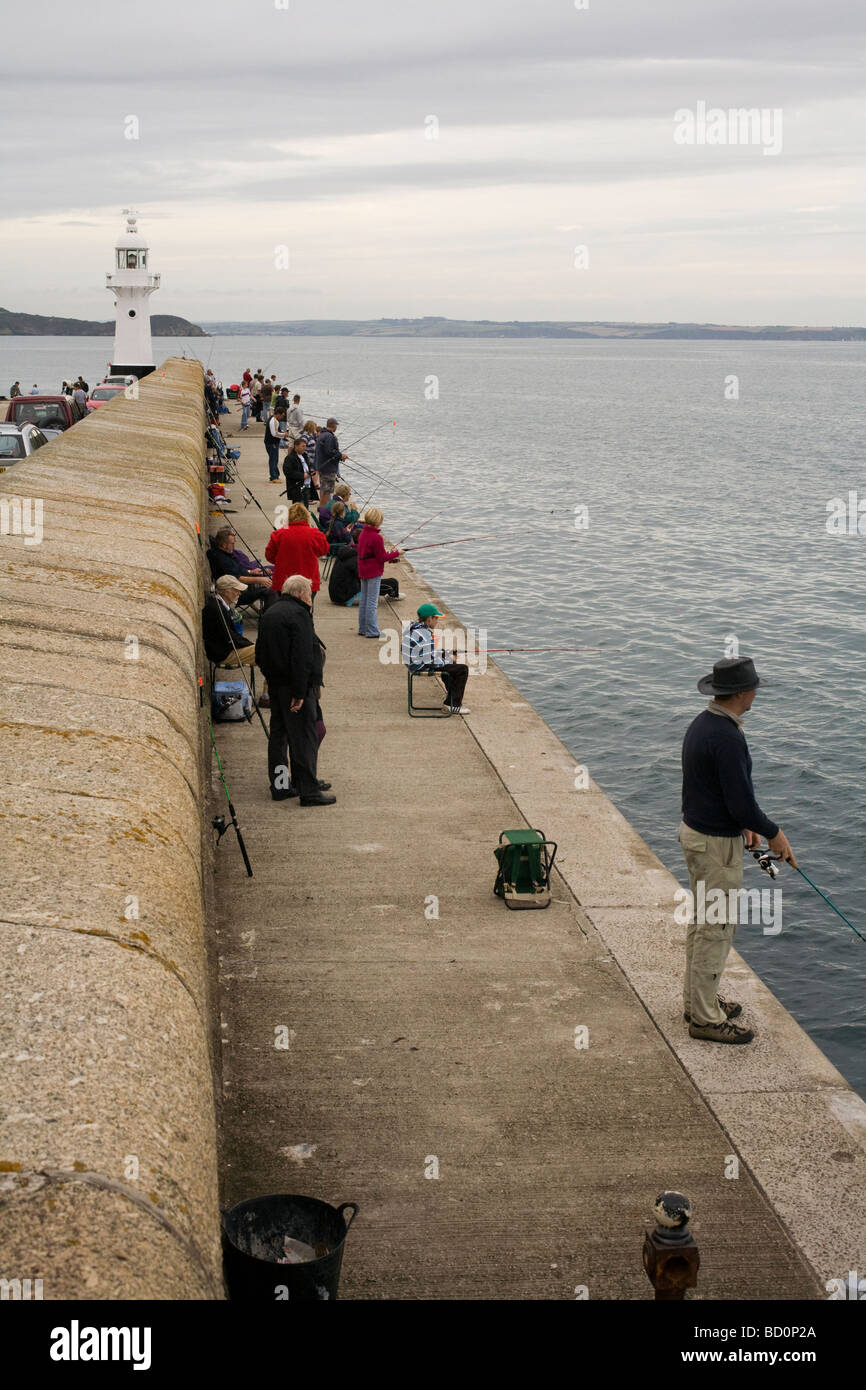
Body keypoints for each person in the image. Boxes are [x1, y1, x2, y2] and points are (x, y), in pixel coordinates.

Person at [678, 656, 797, 1046]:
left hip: (697, 833)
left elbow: (715, 790)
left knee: (702, 923)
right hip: (715, 847)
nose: (756, 693)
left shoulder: (704, 724)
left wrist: (742, 823)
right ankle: (706, 1020)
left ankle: (699, 1002)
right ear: (743, 692)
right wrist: (774, 833)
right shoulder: (727, 737)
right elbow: (743, 804)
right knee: (715, 928)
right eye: (754, 688)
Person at [255, 574, 335, 806]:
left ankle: (280, 786)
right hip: (293, 687)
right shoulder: (299, 615)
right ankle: (307, 790)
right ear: (301, 594)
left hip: (276, 685)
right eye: (309, 593)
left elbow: (260, 652)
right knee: (303, 739)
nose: (310, 598)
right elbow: (301, 658)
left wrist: (271, 679)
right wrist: (300, 693)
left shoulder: (270, 613)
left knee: (278, 737)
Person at [402, 603, 470, 713]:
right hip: (420, 666)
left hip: (413, 663)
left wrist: (445, 653)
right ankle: (453, 704)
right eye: (436, 618)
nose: (437, 621)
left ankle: (452, 696)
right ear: (429, 619)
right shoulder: (425, 634)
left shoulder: (413, 628)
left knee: (444, 655)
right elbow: (431, 661)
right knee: (462, 669)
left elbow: (426, 652)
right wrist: (449, 659)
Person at [265, 501, 329, 603]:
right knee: (305, 612)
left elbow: (269, 556)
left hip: (283, 582)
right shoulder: (315, 534)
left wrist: (281, 560)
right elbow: (324, 550)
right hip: (308, 581)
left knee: (284, 612)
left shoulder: (278, 534)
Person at [356, 507, 402, 638]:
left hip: (363, 570)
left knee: (364, 600)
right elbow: (382, 558)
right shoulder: (376, 537)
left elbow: (374, 554)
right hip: (373, 572)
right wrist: (397, 553)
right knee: (372, 602)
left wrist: (388, 555)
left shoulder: (362, 534)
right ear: (378, 521)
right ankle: (372, 631)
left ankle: (363, 628)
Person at [202, 576, 257, 669]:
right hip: (224, 654)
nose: (239, 593)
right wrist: (251, 645)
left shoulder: (220, 605)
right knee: (266, 653)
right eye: (236, 590)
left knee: (266, 652)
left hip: (225, 650)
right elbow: (230, 637)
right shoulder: (217, 609)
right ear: (226, 591)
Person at [207, 528, 271, 604]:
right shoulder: (223, 560)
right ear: (224, 545)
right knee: (271, 589)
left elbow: (238, 570)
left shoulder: (226, 553)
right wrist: (260, 579)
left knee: (273, 574)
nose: (234, 546)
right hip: (239, 592)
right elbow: (239, 578)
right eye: (232, 543)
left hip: (247, 582)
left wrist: (251, 571)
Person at [328, 540, 400, 606]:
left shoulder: (347, 552)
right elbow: (366, 577)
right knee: (393, 582)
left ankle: (393, 593)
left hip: (335, 594)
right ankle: (393, 595)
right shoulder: (355, 558)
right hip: (344, 596)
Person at [314, 417, 346, 509]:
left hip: (322, 466)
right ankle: (325, 509)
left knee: (323, 488)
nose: (336, 427)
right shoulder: (329, 436)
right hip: (328, 467)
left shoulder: (322, 434)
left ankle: (322, 507)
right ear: (334, 425)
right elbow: (330, 452)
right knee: (327, 490)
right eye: (336, 425)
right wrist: (341, 455)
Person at [265, 405, 287, 482]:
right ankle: (274, 477)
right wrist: (284, 434)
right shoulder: (274, 421)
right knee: (273, 460)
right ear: (278, 414)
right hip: (272, 443)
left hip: (272, 442)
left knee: (274, 459)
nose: (282, 418)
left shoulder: (274, 420)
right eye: (282, 416)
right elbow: (274, 434)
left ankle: (276, 475)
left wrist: (283, 433)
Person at [283, 436, 308, 503]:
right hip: (296, 487)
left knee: (305, 508)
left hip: (307, 486)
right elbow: (288, 472)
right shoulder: (290, 458)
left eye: (305, 446)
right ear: (296, 446)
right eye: (302, 446)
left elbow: (307, 466)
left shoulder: (305, 456)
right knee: (297, 508)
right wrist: (302, 475)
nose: (304, 448)